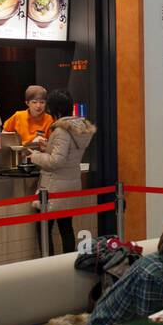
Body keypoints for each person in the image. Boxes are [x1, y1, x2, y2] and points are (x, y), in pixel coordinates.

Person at [27, 89, 95, 255]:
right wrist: (48, 147)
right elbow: (68, 153)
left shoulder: (61, 131)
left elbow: (56, 161)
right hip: (71, 182)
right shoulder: (78, 129)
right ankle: (67, 264)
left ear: (54, 109)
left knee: (43, 228)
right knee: (66, 227)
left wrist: (35, 156)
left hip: (55, 186)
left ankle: (48, 265)